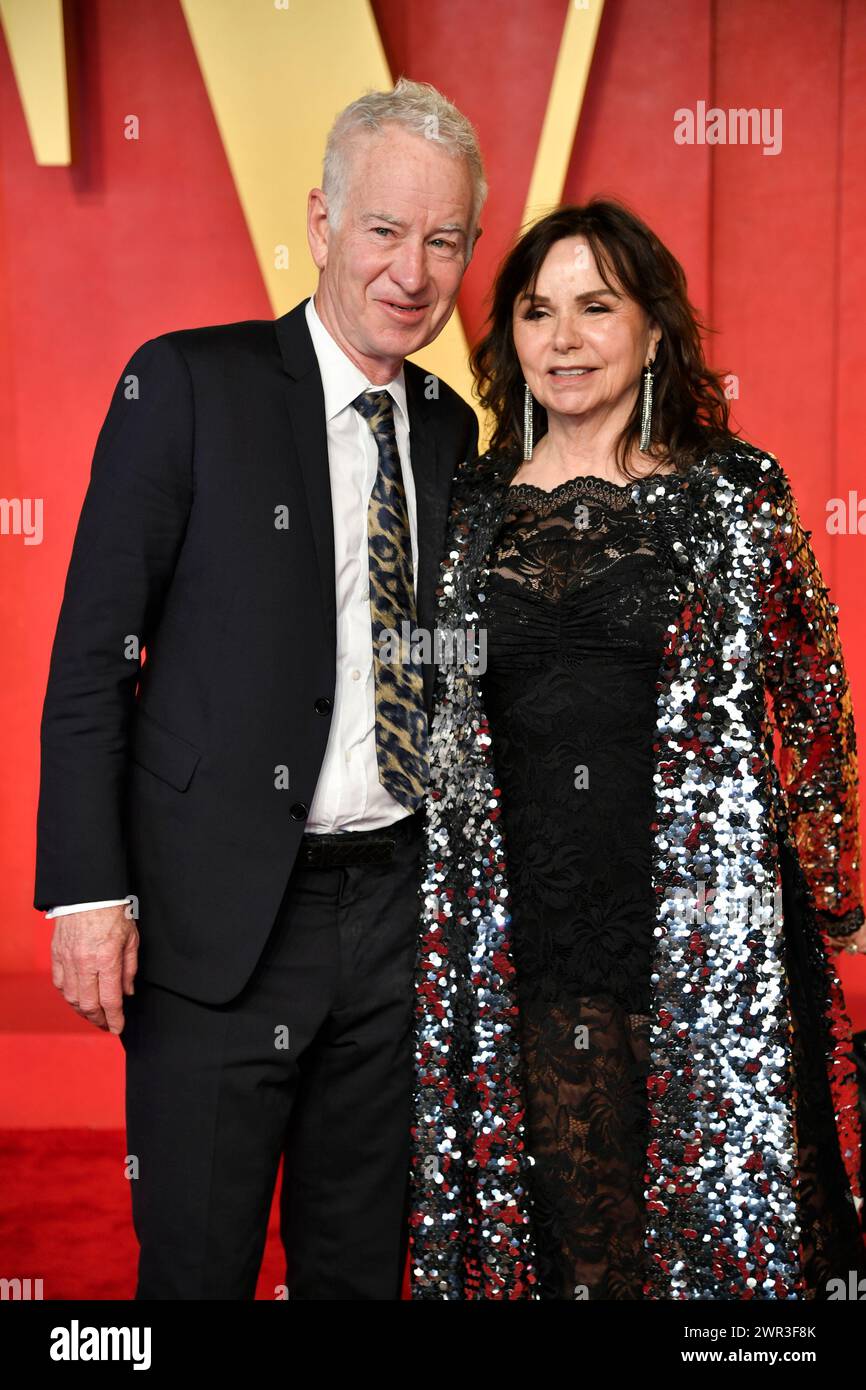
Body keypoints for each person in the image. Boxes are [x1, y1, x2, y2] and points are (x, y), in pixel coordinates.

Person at [34, 77, 485, 1300]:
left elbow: (441, 656)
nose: (412, 268)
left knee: (357, 1269)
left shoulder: (451, 430)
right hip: (215, 921)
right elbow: (89, 659)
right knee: (195, 1269)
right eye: (385, 229)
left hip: (394, 920)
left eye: (443, 239)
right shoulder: (186, 384)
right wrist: (86, 891)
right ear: (322, 223)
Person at [410, 198, 866, 1301]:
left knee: (712, 1224)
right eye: (534, 312)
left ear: (653, 330)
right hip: (520, 919)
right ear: (507, 338)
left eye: (594, 308)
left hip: (697, 922)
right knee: (574, 1223)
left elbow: (807, 695)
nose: (561, 339)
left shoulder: (732, 495)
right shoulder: (464, 505)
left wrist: (834, 878)